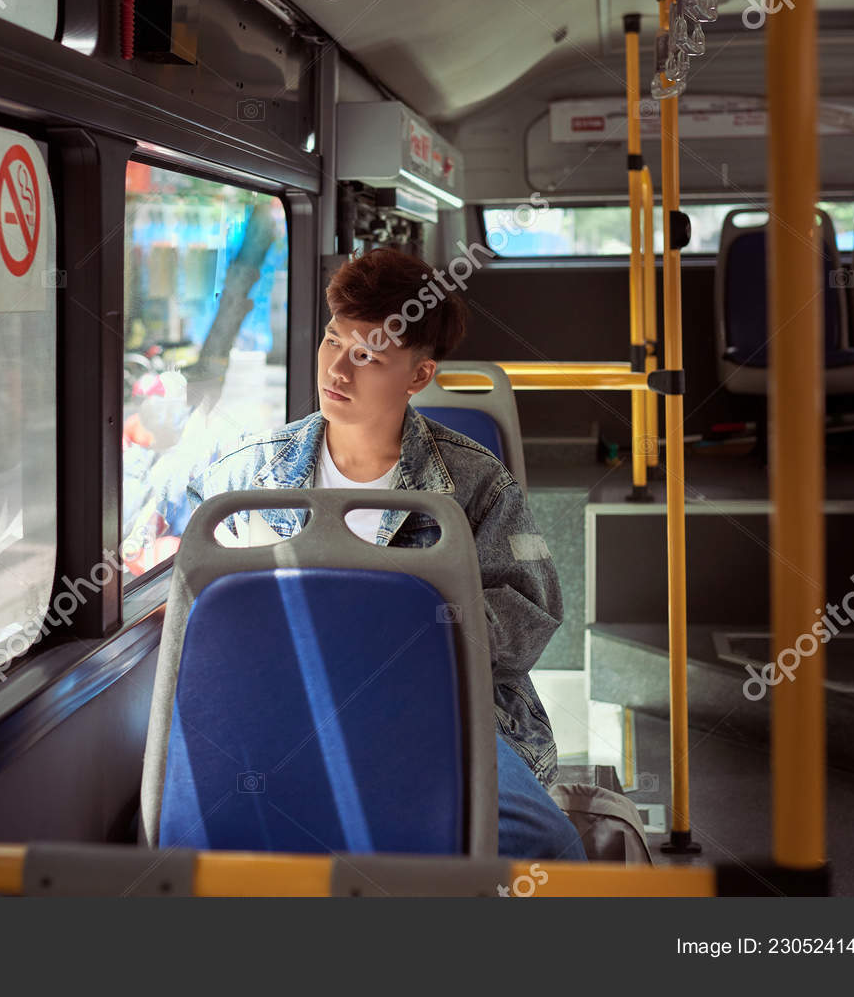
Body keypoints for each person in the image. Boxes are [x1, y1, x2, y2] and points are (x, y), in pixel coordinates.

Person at [186, 246, 584, 861]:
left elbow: (529, 614)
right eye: (332, 341)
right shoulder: (250, 470)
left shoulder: (475, 484)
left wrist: (405, 637)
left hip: (431, 706)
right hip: (279, 703)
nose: (337, 371)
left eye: (367, 355)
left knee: (544, 846)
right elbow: (192, 575)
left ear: (419, 376)